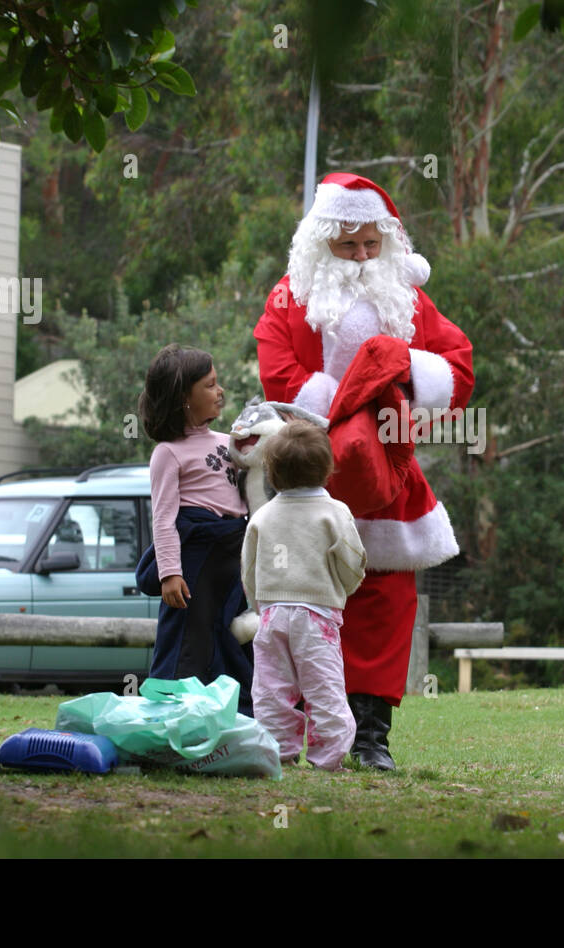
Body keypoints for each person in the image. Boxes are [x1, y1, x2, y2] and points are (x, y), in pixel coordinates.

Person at [254, 173, 474, 769]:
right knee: (302, 597)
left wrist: (400, 386)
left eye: (371, 245)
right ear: (322, 241)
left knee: (384, 602)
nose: (360, 257)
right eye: (348, 245)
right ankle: (294, 733)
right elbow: (277, 371)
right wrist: (335, 404)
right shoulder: (289, 296)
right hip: (311, 469)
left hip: (388, 475)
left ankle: (371, 735)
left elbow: (456, 364)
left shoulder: (405, 296)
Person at [241, 421, 367, 770]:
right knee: (324, 686)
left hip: (272, 614)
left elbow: (249, 569)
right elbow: (352, 563)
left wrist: (258, 604)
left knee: (271, 688)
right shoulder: (334, 513)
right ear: (327, 470)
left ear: (272, 474)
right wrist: (342, 589)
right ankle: (328, 756)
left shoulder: (263, 516)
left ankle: (278, 750)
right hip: (317, 617)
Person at [135, 344, 253, 716]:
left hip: (234, 556)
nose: (220, 392)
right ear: (183, 398)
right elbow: (165, 519)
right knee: (190, 639)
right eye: (210, 385)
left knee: (234, 636)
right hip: (195, 565)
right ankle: (174, 719)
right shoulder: (168, 452)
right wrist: (170, 573)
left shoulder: (230, 443)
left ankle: (240, 716)